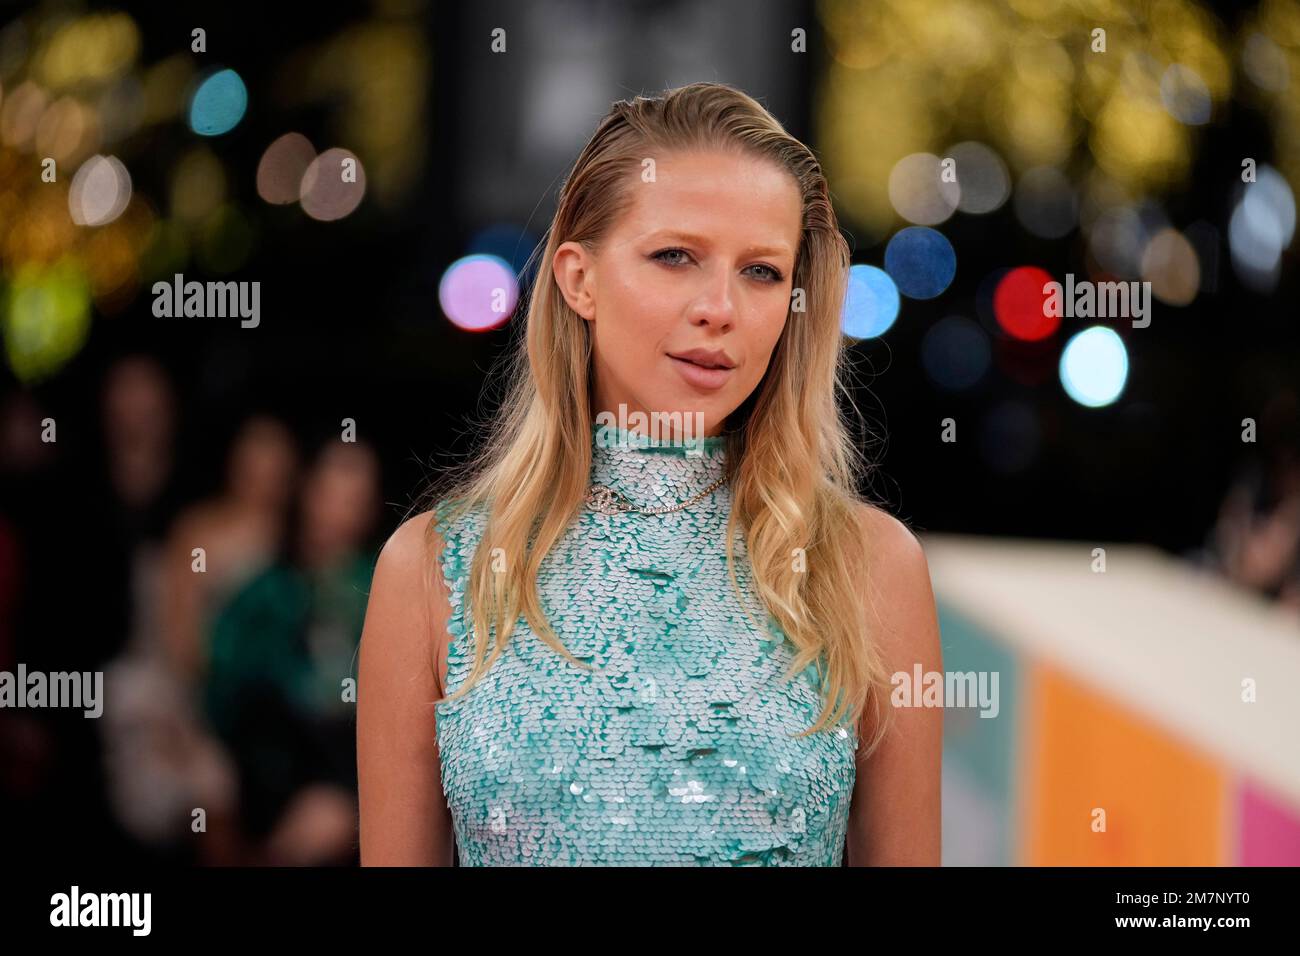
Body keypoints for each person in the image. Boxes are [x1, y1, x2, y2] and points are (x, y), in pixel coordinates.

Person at [357, 82, 943, 866]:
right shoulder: (431, 571)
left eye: (762, 272)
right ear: (578, 278)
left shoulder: (869, 566)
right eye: (676, 256)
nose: (719, 307)